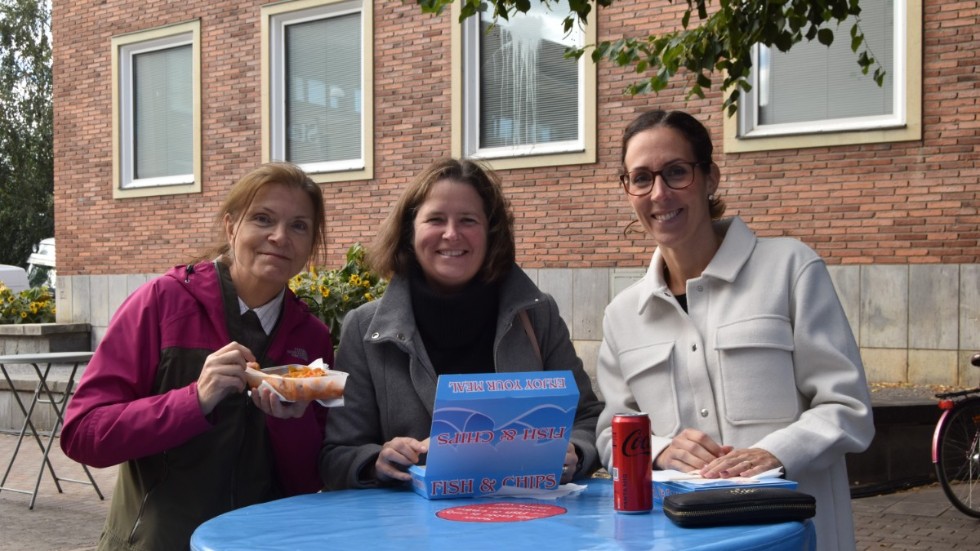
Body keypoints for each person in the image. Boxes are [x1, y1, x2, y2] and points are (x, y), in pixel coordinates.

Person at [595, 110, 874, 550]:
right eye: (642, 178)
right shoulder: (622, 315)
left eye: (676, 172)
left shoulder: (790, 269)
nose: (660, 193)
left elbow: (848, 407)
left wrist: (777, 452)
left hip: (797, 538)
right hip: (684, 541)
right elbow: (612, 436)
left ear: (711, 179)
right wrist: (661, 449)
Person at [60, 163, 334, 551]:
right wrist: (195, 400)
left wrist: (292, 423)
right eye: (262, 218)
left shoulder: (313, 338)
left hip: (263, 543)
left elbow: (309, 480)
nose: (279, 237)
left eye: (299, 226)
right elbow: (83, 434)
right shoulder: (162, 302)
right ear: (230, 227)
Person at [320, 158, 603, 489]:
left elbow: (589, 419)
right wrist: (375, 461)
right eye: (436, 219)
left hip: (525, 523)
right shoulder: (364, 329)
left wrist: (576, 452)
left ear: (491, 233)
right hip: (412, 533)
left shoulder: (537, 316)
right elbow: (337, 454)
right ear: (409, 232)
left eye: (468, 220)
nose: (452, 234)